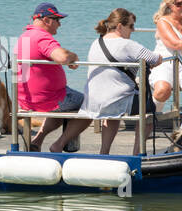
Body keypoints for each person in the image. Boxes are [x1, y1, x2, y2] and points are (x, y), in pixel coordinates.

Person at [51, 8, 163, 154]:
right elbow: (155, 59)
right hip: (116, 100)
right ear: (119, 27)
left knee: (112, 109)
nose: (133, 30)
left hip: (93, 101)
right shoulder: (127, 45)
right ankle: (137, 154)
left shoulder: (96, 43)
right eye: (131, 26)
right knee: (149, 109)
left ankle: (64, 145)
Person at [16, 3, 81, 151]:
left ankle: (37, 141)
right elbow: (62, 56)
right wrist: (73, 56)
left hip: (26, 98)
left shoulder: (24, 36)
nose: (59, 24)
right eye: (57, 20)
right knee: (91, 106)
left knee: (61, 104)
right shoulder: (42, 37)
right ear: (46, 20)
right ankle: (59, 145)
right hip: (48, 99)